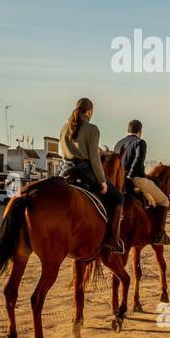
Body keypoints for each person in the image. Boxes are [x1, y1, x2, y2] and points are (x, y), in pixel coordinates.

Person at [59, 97, 124, 254]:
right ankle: (112, 238)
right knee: (118, 198)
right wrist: (102, 181)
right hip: (84, 169)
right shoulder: (92, 129)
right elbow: (94, 158)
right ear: (89, 112)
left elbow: (62, 153)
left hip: (65, 170)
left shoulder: (64, 128)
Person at [114, 119, 170, 245]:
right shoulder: (140, 142)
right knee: (164, 201)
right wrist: (134, 176)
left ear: (127, 130)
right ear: (140, 131)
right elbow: (138, 164)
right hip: (135, 179)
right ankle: (159, 234)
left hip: (119, 181)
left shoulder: (118, 144)